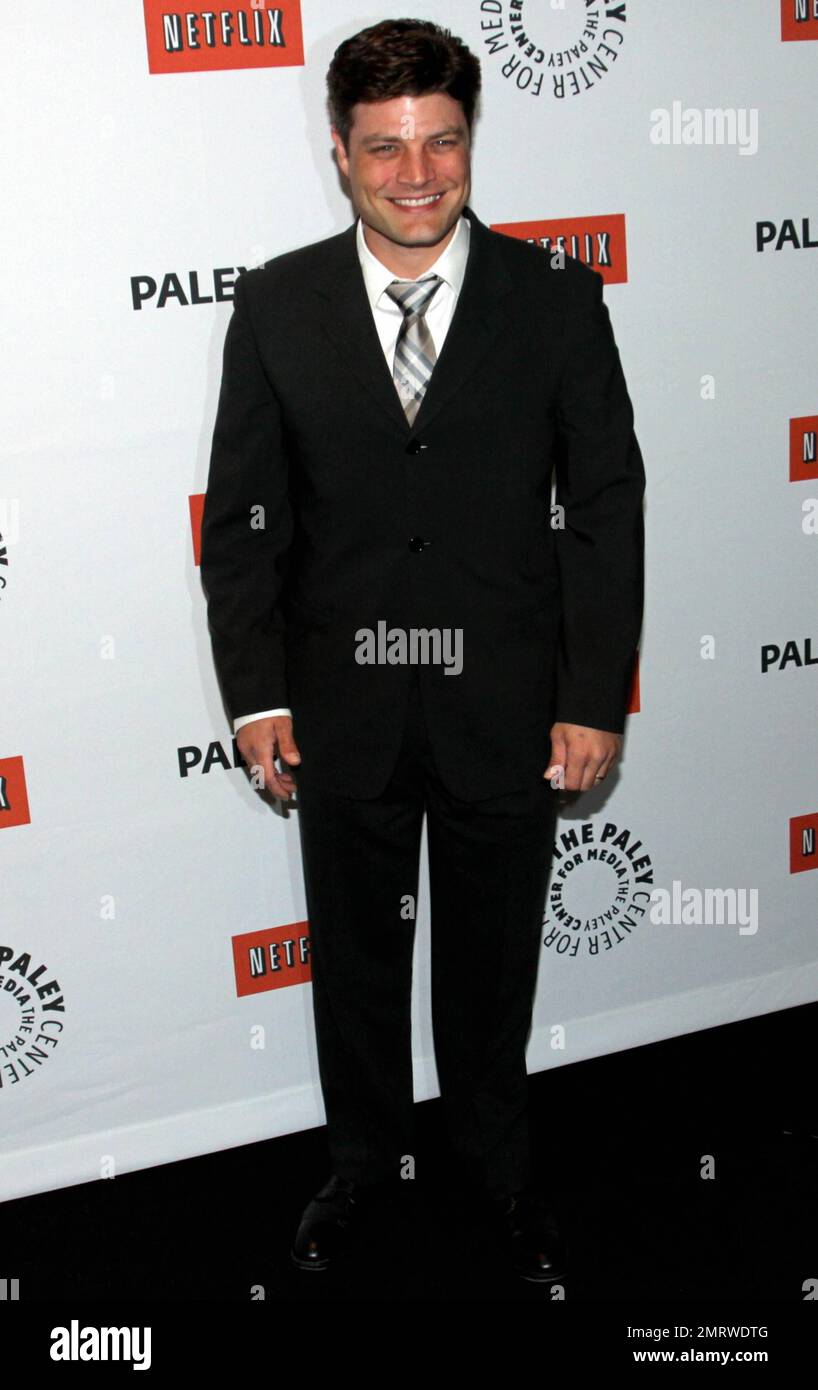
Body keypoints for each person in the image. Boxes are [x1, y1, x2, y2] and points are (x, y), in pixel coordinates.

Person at [200, 17, 645, 1283]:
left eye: (439, 141)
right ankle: (357, 1171)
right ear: (337, 152)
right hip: (338, 710)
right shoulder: (277, 302)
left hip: (507, 707)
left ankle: (498, 1175)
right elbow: (242, 522)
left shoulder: (556, 299)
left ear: (468, 141)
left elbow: (604, 508)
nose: (415, 173)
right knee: (352, 963)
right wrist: (256, 698)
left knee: (492, 960)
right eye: (384, 146)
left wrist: (589, 695)